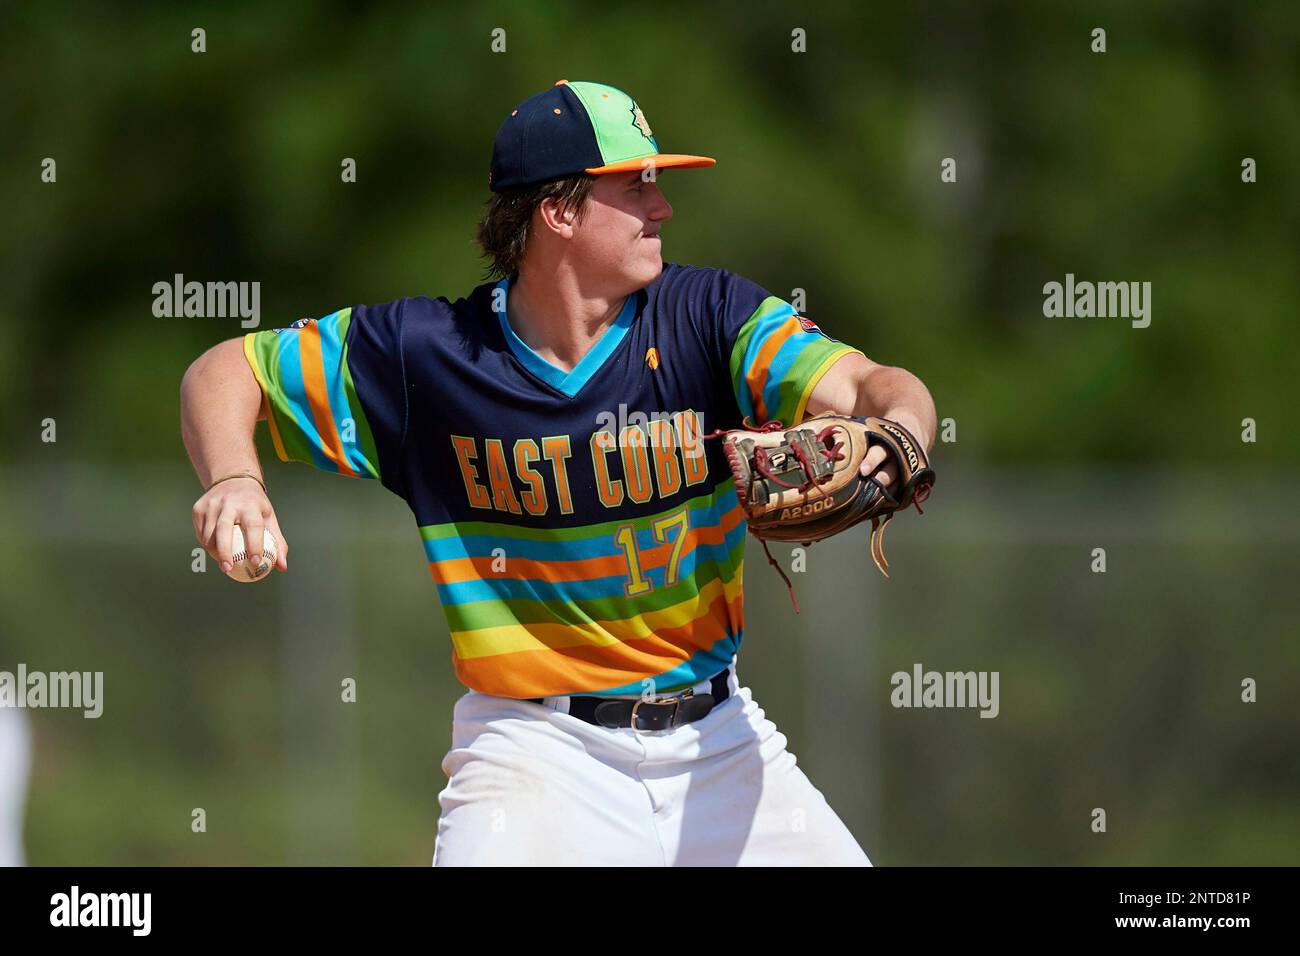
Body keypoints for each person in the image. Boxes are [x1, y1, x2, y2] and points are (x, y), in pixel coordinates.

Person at [180, 80, 936, 866]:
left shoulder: (710, 320)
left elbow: (876, 386)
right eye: (636, 183)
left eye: (658, 182)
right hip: (532, 748)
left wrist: (899, 434)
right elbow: (223, 369)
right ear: (559, 212)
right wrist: (236, 477)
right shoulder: (428, 355)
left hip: (719, 739)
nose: (662, 206)